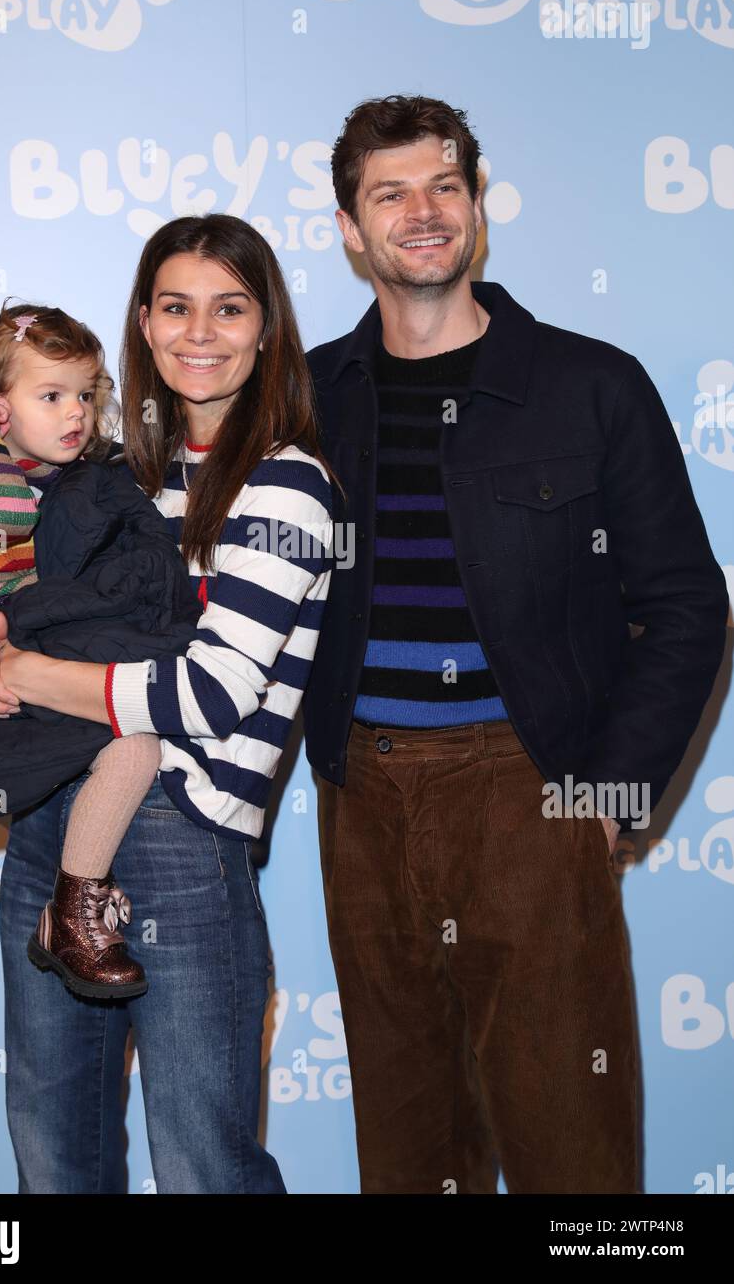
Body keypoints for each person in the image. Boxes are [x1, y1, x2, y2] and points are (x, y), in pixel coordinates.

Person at [301, 93, 729, 1194]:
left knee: (570, 1151)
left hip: (529, 795)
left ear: (477, 209)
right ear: (350, 229)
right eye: (388, 193)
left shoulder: (589, 385)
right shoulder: (309, 400)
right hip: (363, 802)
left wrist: (610, 794)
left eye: (445, 185)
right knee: (408, 1157)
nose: (422, 211)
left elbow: (685, 602)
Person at [0, 213, 336, 1193]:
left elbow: (206, 691)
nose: (198, 332)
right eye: (175, 307)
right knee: (53, 1153)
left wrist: (23, 672)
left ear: (264, 329)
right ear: (143, 321)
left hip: (183, 833)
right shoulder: (108, 476)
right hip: (51, 821)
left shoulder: (287, 488)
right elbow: (14, 593)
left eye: (228, 307)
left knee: (202, 1163)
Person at [0, 301, 202, 999]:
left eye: (85, 394)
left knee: (135, 747)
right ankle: (73, 907)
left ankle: (76, 906)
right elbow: (1, 519)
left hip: (42, 665)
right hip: (6, 674)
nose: (75, 413)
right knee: (123, 745)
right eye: (50, 396)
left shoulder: (87, 476)